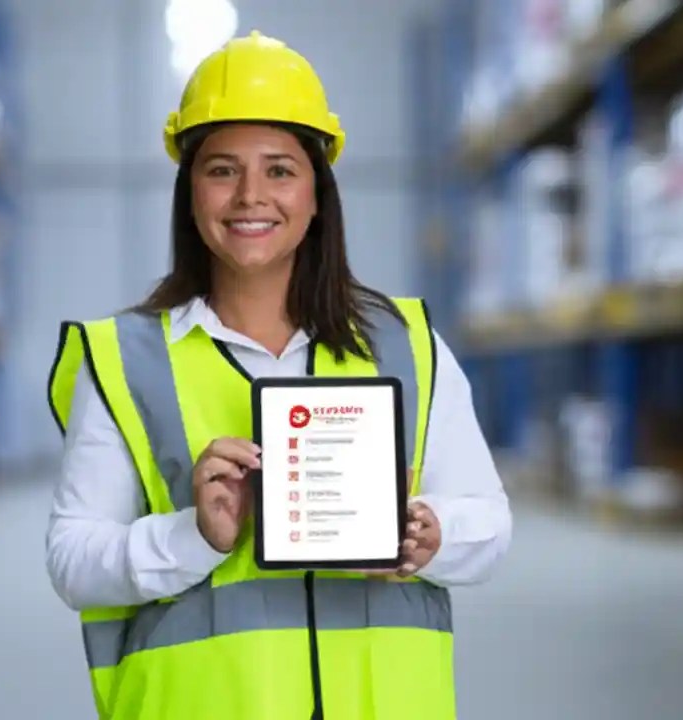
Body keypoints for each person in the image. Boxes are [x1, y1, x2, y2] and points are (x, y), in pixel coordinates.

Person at [45, 30, 512, 720]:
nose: (250, 197)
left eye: (280, 170)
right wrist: (193, 536)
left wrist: (428, 537)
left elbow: (490, 526)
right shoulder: (125, 359)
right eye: (222, 170)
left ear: (318, 194)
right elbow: (73, 561)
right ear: (190, 191)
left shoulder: (408, 346)